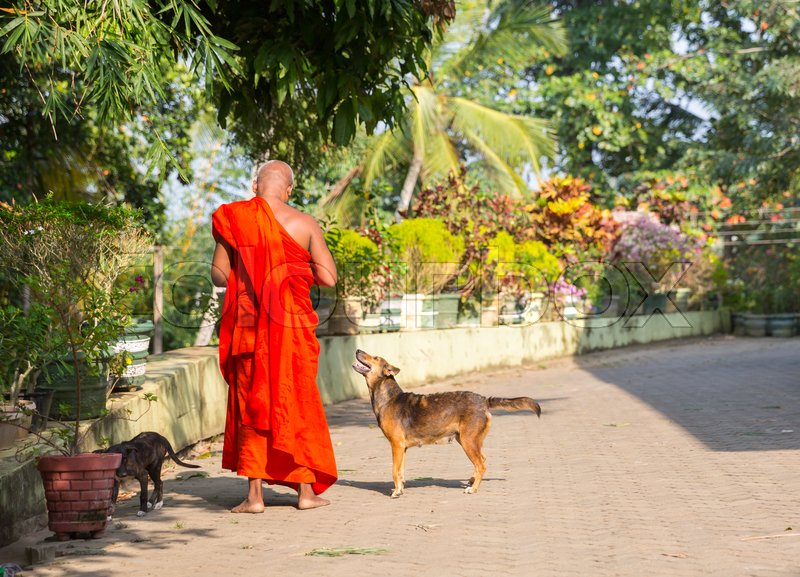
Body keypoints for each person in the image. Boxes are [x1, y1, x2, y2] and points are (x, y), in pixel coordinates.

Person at [211, 160, 338, 512]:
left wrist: (248, 265)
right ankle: (305, 493)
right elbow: (328, 278)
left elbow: (219, 277)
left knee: (254, 403)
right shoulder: (305, 223)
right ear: (290, 189)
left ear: (254, 186)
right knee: (294, 402)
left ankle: (254, 497)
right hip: (292, 327)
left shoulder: (234, 219)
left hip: (250, 328)